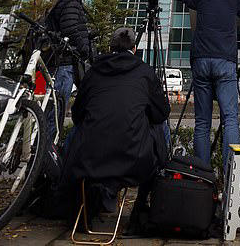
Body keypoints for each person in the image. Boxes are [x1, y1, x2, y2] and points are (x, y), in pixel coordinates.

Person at [62, 26, 170, 221]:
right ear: (135, 49)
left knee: (78, 131)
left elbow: (77, 114)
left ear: (110, 47)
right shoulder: (145, 72)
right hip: (134, 161)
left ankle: (76, 196)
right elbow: (162, 113)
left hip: (88, 160)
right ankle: (142, 204)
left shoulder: (94, 71)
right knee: (161, 127)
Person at [184, 0, 240, 172]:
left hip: (201, 60)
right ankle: (230, 173)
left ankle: (203, 176)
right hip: (225, 61)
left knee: (202, 121)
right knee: (230, 117)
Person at [50, 0, 94, 122]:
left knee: (60, 106)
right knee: (57, 110)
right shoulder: (71, 0)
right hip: (65, 62)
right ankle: (48, 144)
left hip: (68, 61)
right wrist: (84, 47)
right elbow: (70, 28)